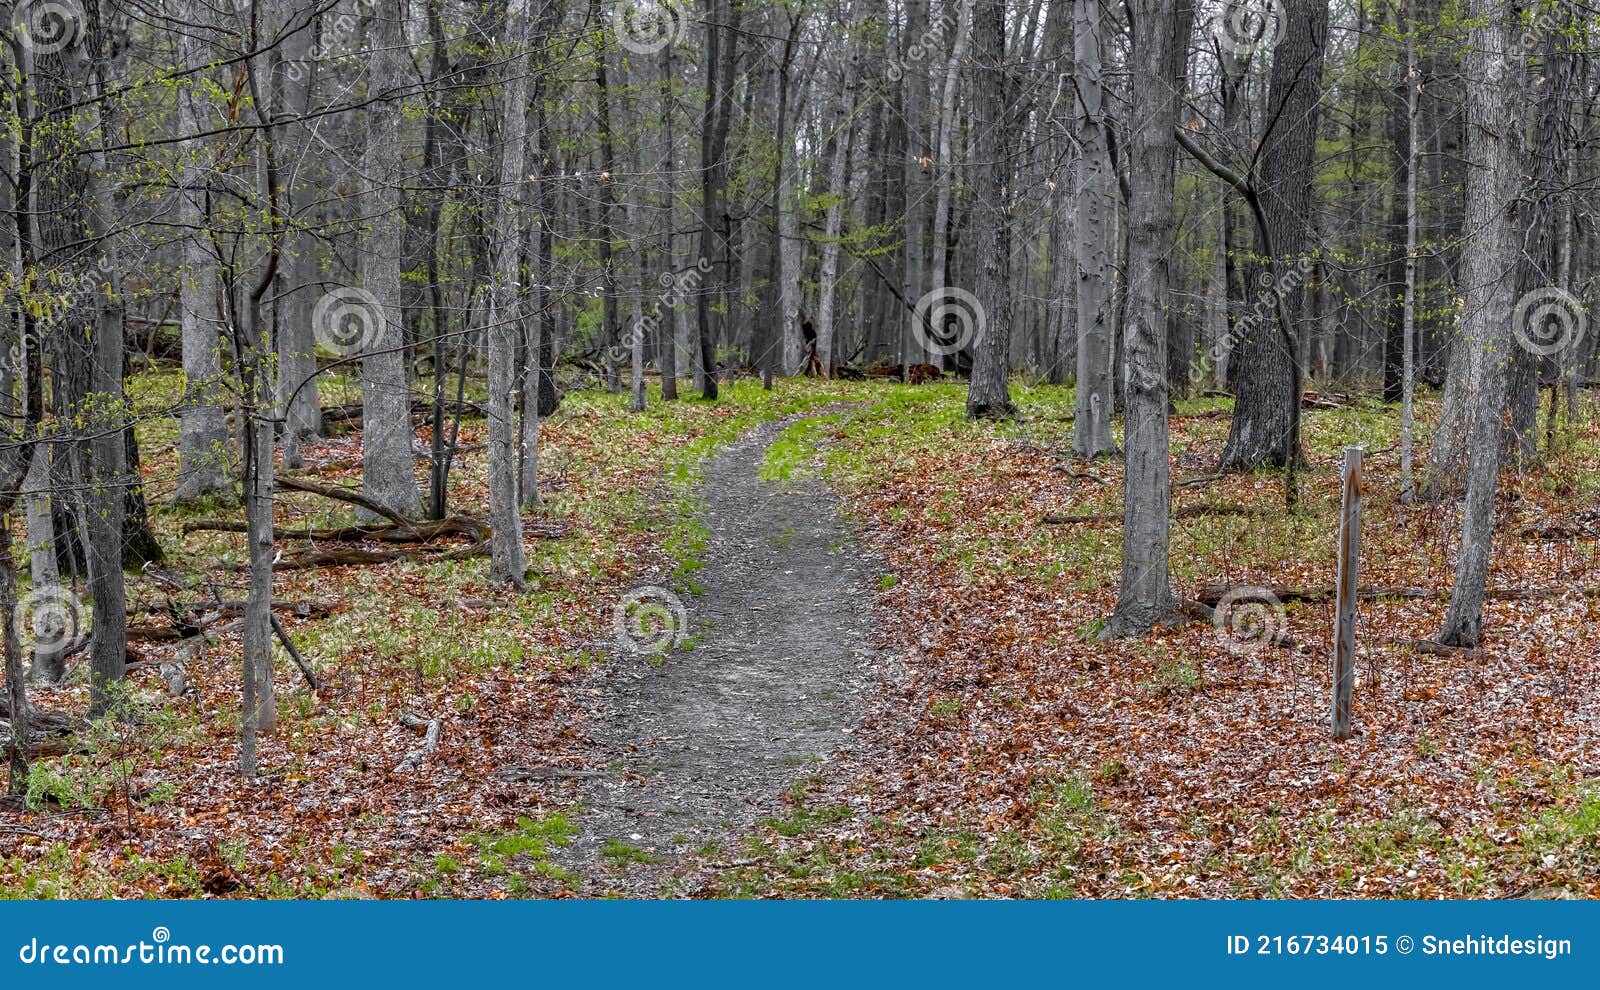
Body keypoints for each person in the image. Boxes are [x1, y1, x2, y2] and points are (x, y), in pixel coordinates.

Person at [799, 312, 824, 377]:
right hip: (809, 350)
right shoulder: (808, 333)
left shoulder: (812, 333)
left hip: (812, 352)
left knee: (812, 363)